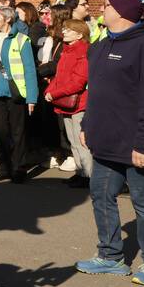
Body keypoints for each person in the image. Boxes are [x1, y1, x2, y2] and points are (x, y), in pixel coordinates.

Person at [75, 0, 144, 286]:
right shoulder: (102, 45)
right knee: (101, 196)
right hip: (104, 141)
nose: (99, 9)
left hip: (136, 146)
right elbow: (97, 92)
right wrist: (87, 125)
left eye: (105, 5)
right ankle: (110, 257)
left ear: (120, 12)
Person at [0, 5, 38, 182]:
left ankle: (18, 168)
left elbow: (29, 70)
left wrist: (31, 98)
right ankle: (3, 166)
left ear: (8, 19)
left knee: (18, 133)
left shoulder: (21, 40)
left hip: (16, 93)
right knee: (0, 131)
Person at [44, 19, 91, 188]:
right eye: (64, 29)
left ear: (79, 34)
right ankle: (80, 172)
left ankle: (87, 175)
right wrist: (49, 90)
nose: (64, 32)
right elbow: (59, 76)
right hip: (66, 103)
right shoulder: (67, 50)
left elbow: (78, 82)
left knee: (81, 141)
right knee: (72, 140)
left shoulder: (83, 52)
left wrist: (54, 93)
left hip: (79, 103)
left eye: (68, 30)